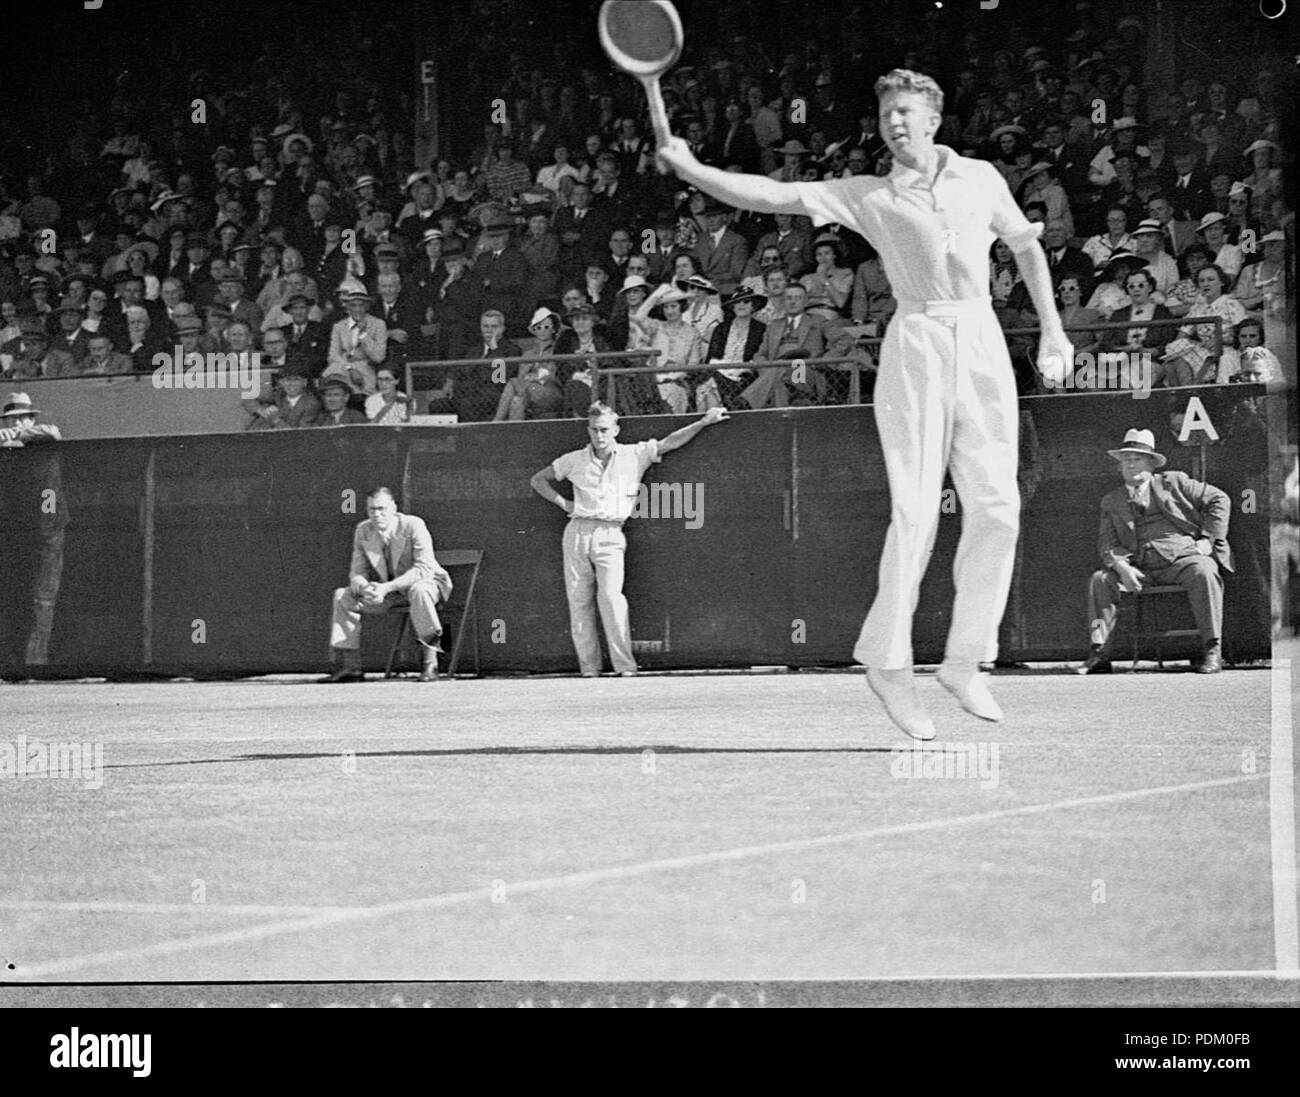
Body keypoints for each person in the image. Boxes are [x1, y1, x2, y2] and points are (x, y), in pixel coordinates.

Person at [657, 68, 1073, 740]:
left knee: (998, 504)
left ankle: (967, 660)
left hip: (981, 338)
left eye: (906, 112)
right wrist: (693, 168)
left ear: (935, 118)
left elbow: (1027, 247)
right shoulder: (869, 193)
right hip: (914, 341)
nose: (895, 124)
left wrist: (1052, 329)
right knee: (914, 509)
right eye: (886, 116)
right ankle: (888, 662)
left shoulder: (982, 178)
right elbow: (773, 194)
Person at [528, 402, 728, 677]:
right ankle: (589, 670)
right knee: (579, 602)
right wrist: (565, 504)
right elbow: (538, 480)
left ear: (616, 430)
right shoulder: (573, 459)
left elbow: (670, 442)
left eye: (605, 430)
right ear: (588, 430)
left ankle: (625, 667)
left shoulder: (635, 454)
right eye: (595, 430)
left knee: (611, 598)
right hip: (577, 532)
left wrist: (705, 421)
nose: (599, 435)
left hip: (611, 533)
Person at [1079, 429, 1231, 675]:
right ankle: (1099, 654)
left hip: (1181, 562)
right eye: (1125, 459)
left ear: (1152, 463)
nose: (1130, 464)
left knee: (1205, 571)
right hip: (1138, 569)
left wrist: (1208, 539)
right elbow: (1106, 543)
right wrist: (1122, 567)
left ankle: (1213, 649)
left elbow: (1219, 499)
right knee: (1100, 580)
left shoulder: (1174, 482)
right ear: (1119, 467)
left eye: (1137, 459)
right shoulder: (1111, 501)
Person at [323, 487, 453, 683]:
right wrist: (365, 588)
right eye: (372, 509)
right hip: (392, 592)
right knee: (343, 595)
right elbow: (357, 572)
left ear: (393, 508)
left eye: (382, 508)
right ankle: (351, 668)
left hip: (429, 585)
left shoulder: (414, 525)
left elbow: (423, 569)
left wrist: (385, 588)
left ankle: (430, 664)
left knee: (419, 590)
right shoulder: (363, 530)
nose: (377, 514)